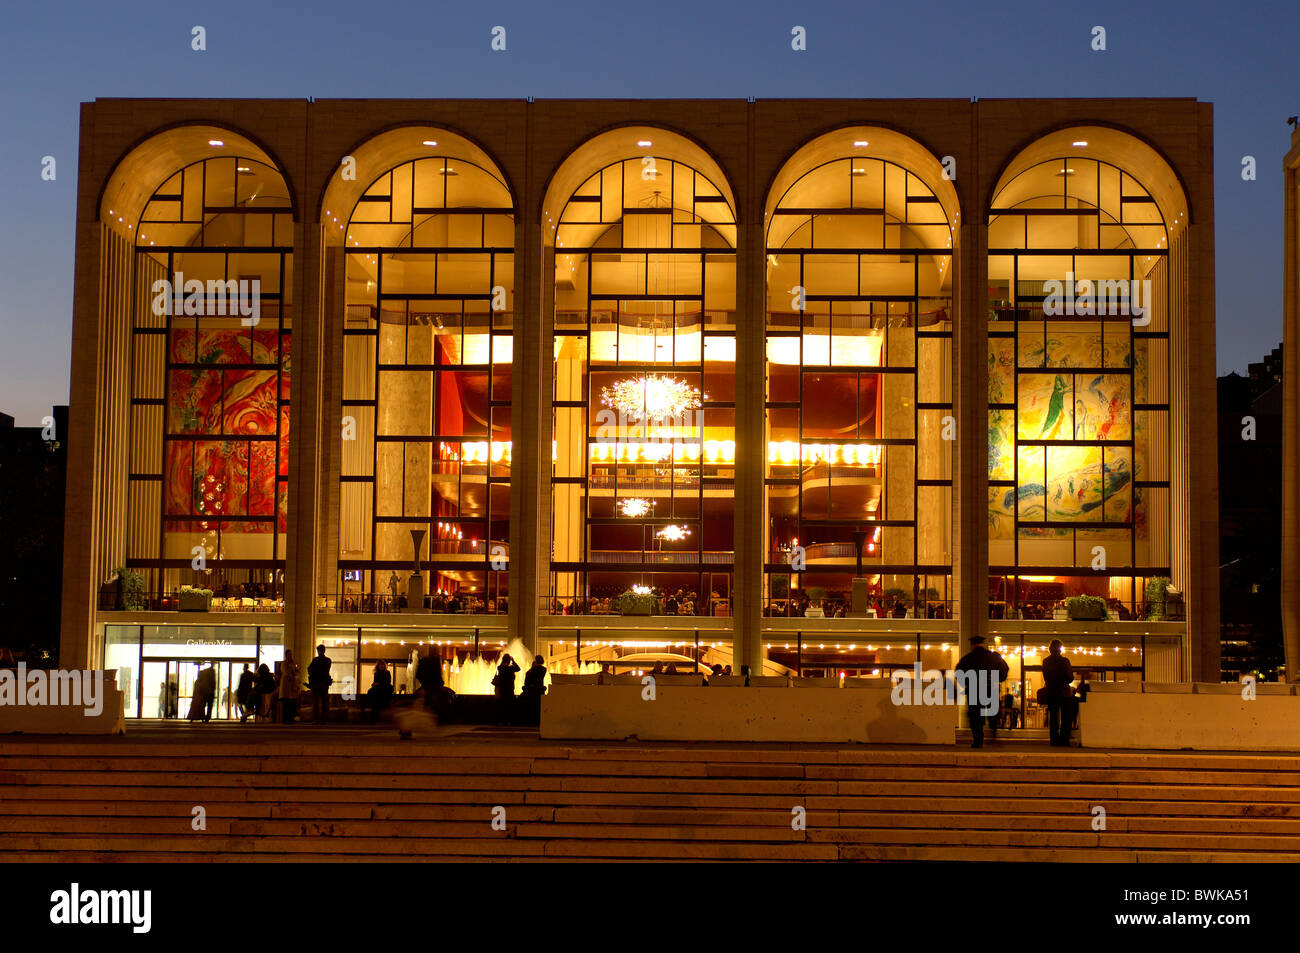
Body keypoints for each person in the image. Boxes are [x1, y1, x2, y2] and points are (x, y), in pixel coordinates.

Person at [954, 635, 1009, 749]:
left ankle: (978, 740)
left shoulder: (968, 658)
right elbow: (1005, 668)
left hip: (974, 688)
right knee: (993, 713)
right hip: (991, 687)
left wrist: (966, 683)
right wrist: (998, 679)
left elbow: (958, 672)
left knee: (975, 715)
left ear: (972, 645)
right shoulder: (993, 656)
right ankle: (993, 732)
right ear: (983, 644)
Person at [1041, 639, 1075, 747]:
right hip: (1063, 692)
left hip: (1051, 691)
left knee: (1053, 717)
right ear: (1060, 649)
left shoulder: (1046, 661)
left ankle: (1054, 740)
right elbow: (1070, 678)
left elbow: (1046, 677)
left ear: (1050, 649)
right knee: (1065, 717)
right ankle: (1064, 740)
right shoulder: (1065, 661)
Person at [307, 644, 333, 724]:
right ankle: (324, 719)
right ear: (324, 651)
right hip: (324, 683)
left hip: (316, 683)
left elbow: (309, 669)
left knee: (316, 702)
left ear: (318, 651)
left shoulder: (315, 660)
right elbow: (327, 670)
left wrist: (312, 676)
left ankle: (316, 719)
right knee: (324, 702)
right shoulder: (328, 660)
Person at [278, 649, 301, 724]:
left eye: (291, 655)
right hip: (286, 686)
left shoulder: (293, 663)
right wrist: (293, 675)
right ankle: (286, 719)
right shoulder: (284, 664)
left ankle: (291, 718)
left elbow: (297, 671)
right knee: (286, 703)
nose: (290, 656)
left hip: (292, 687)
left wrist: (295, 675)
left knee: (291, 703)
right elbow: (286, 673)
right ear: (286, 655)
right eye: (289, 655)